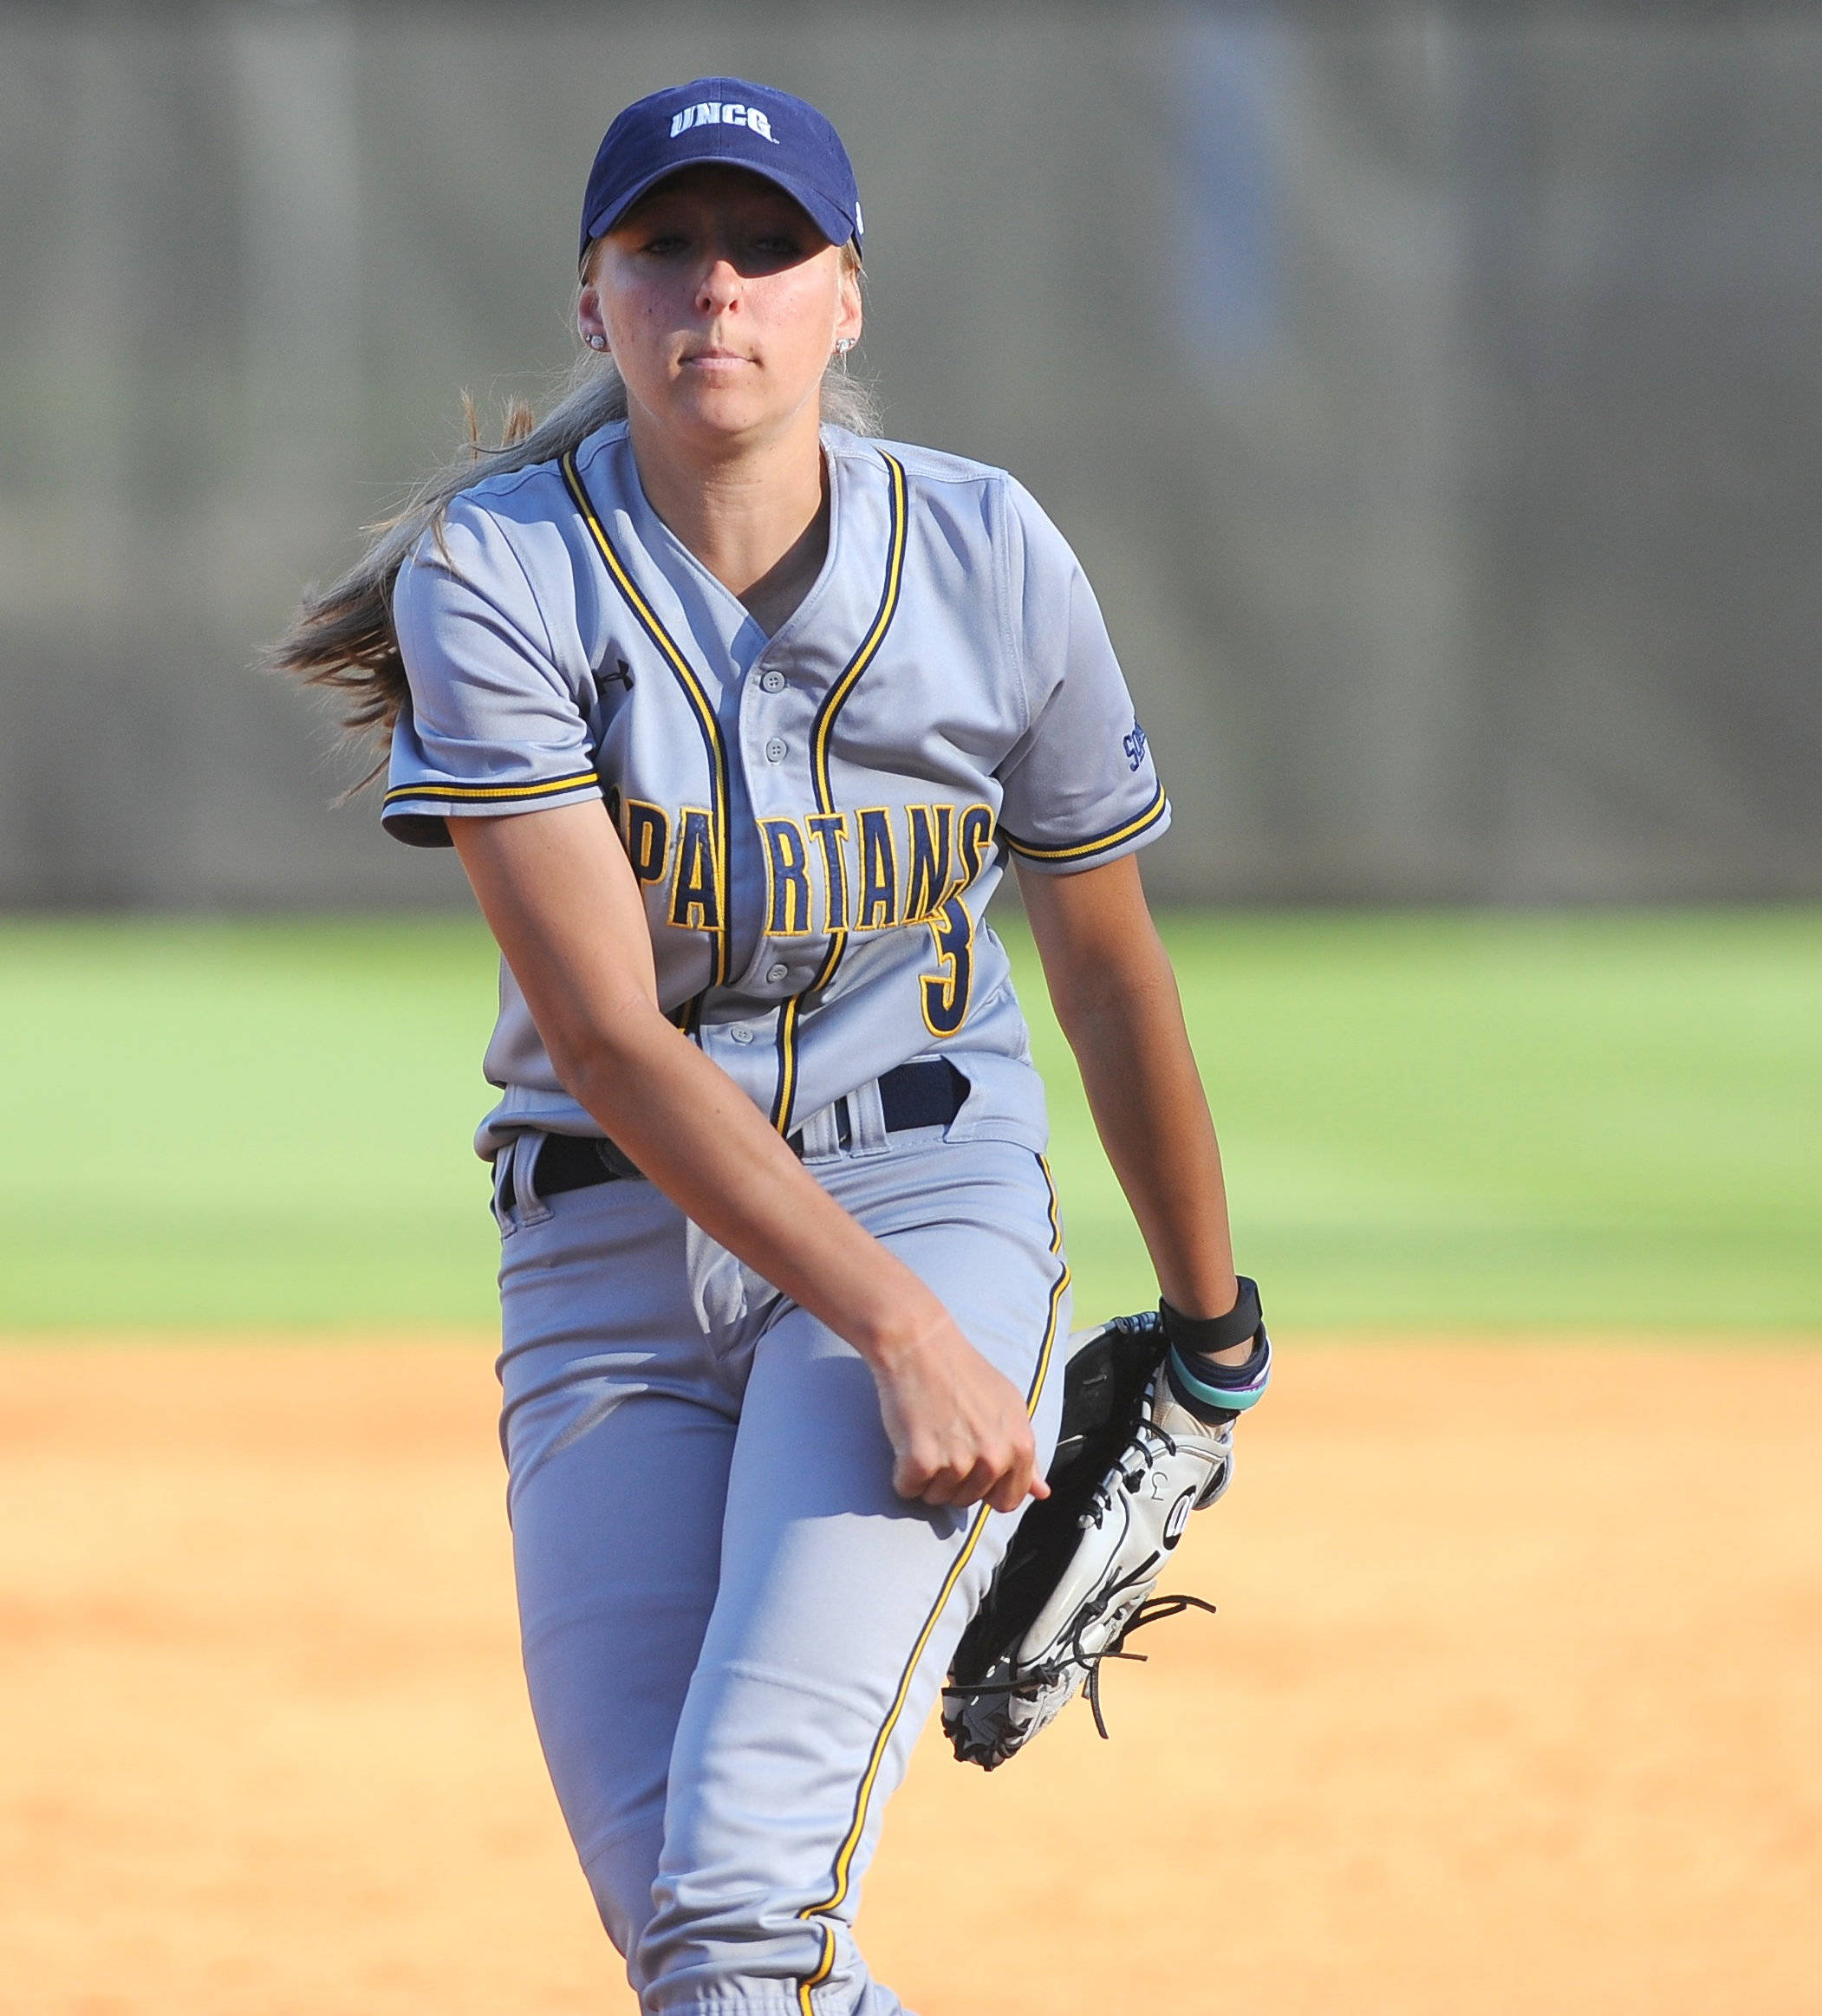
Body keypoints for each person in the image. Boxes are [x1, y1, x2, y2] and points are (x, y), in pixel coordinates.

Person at [274, 77, 1266, 2016]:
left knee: (739, 1914)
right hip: (605, 1263)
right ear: (592, 298)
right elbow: (604, 1038)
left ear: (844, 298)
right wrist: (900, 1333)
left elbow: (1110, 969)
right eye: (665, 246)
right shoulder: (500, 576)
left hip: (924, 1185)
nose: (712, 289)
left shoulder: (987, 553)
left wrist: (1210, 1339)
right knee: (709, 1950)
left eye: (762, 248)